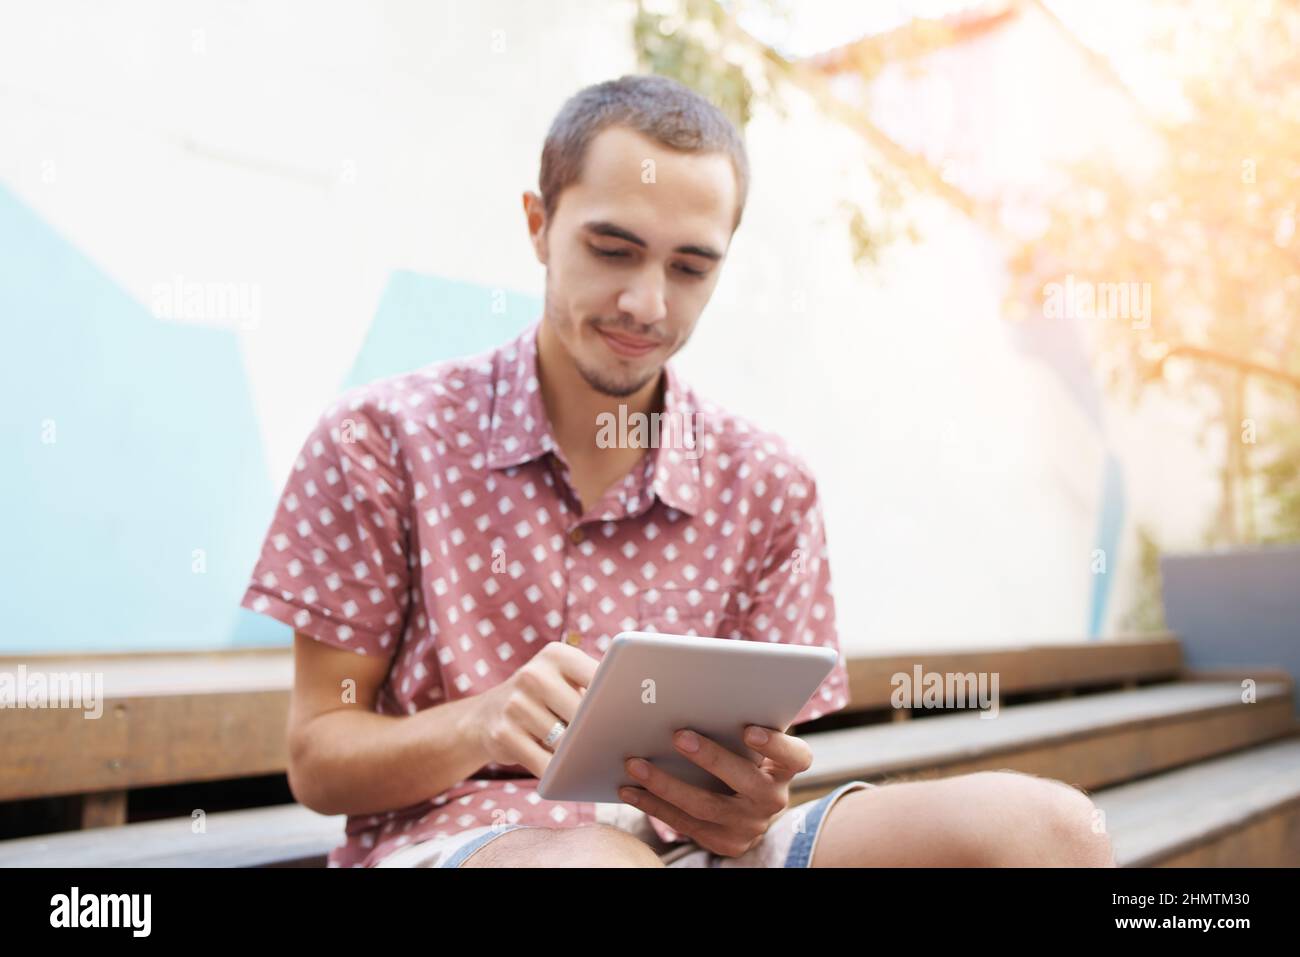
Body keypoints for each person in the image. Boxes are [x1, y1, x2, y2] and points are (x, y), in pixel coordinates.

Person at [241, 74, 1116, 869]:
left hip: (701, 853)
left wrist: (748, 804)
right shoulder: (379, 438)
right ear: (538, 226)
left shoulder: (768, 483)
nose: (647, 305)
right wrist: (479, 719)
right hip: (464, 841)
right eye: (614, 249)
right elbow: (320, 759)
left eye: (690, 266)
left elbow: (760, 781)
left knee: (1053, 831)